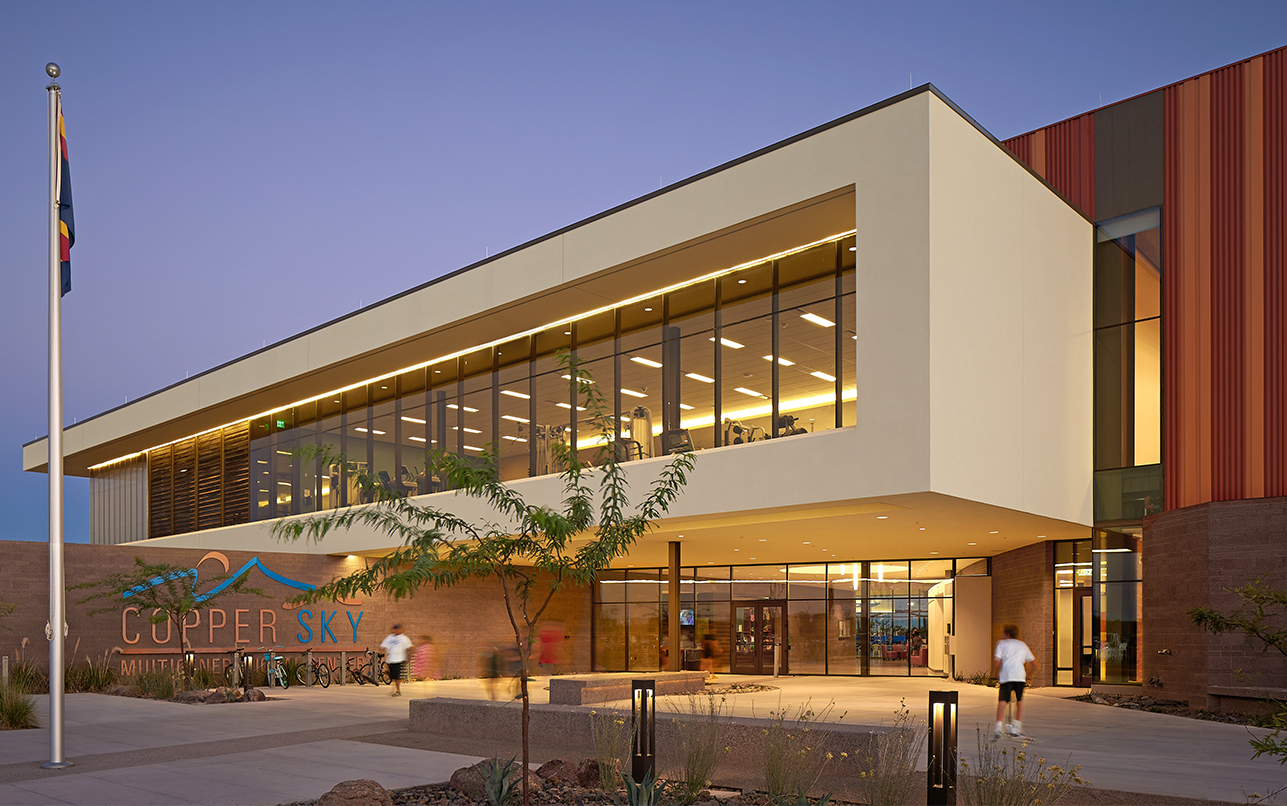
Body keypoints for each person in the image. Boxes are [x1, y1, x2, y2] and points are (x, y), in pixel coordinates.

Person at [992, 623, 1037, 740]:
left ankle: (998, 728)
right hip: (1020, 675)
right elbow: (1034, 663)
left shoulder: (1001, 644)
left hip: (1006, 675)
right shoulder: (1022, 645)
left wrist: (996, 673)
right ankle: (1016, 728)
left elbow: (997, 662)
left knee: (1002, 701)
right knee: (1019, 701)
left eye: (1003, 632)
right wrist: (1029, 676)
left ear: (1007, 634)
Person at [379, 623, 413, 696]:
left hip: (399, 659)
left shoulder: (403, 638)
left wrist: (408, 657)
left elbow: (408, 647)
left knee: (396, 675)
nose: (396, 630)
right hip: (391, 659)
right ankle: (395, 689)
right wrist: (383, 655)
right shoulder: (389, 638)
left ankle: (398, 690)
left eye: (397, 629)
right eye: (394, 629)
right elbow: (383, 646)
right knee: (393, 676)